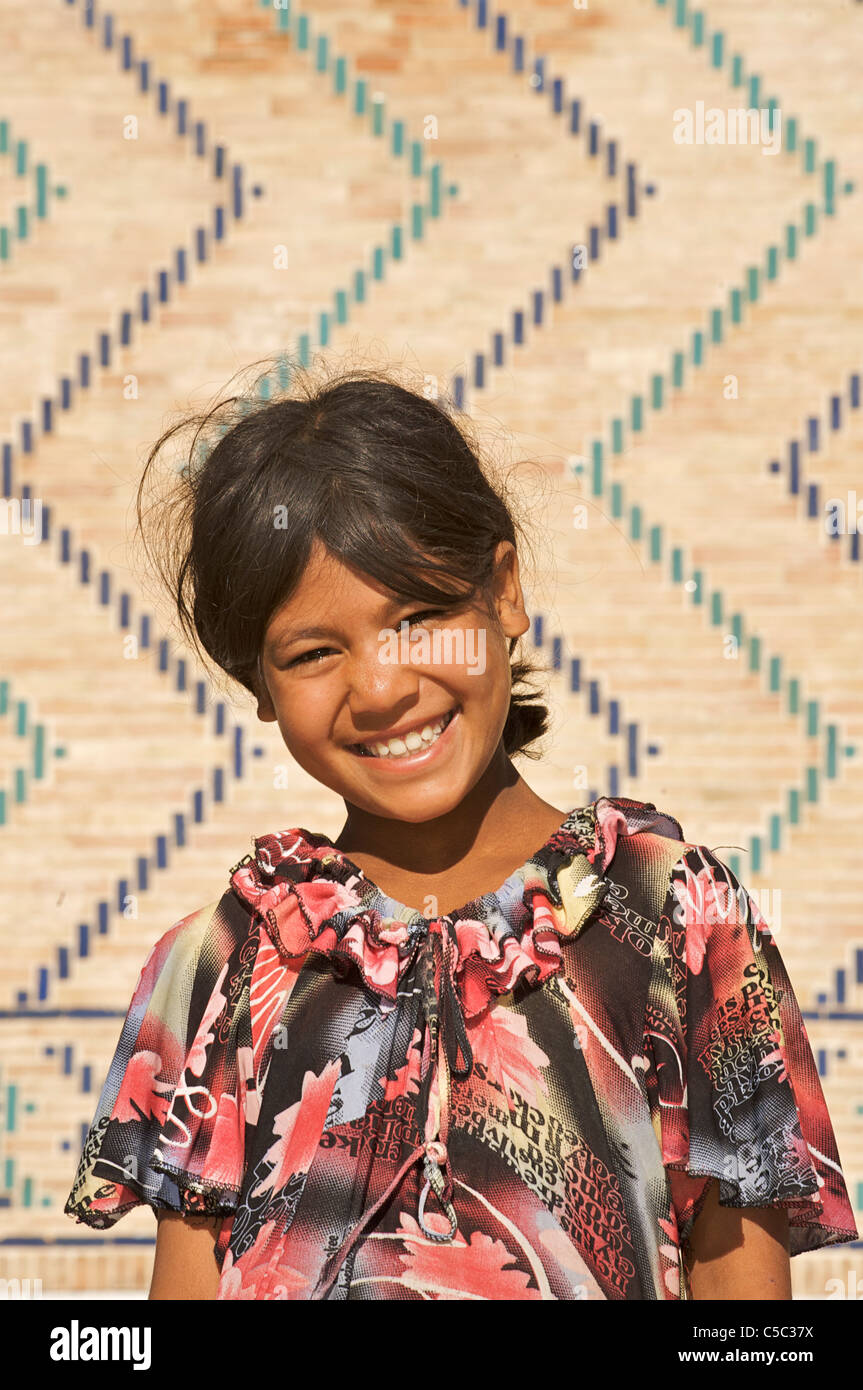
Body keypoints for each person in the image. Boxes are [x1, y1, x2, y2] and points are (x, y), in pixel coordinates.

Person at [63, 361, 857, 1300]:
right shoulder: (219, 967)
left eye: (422, 617)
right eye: (315, 652)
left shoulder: (675, 921)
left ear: (504, 591)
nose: (384, 686)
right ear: (260, 686)